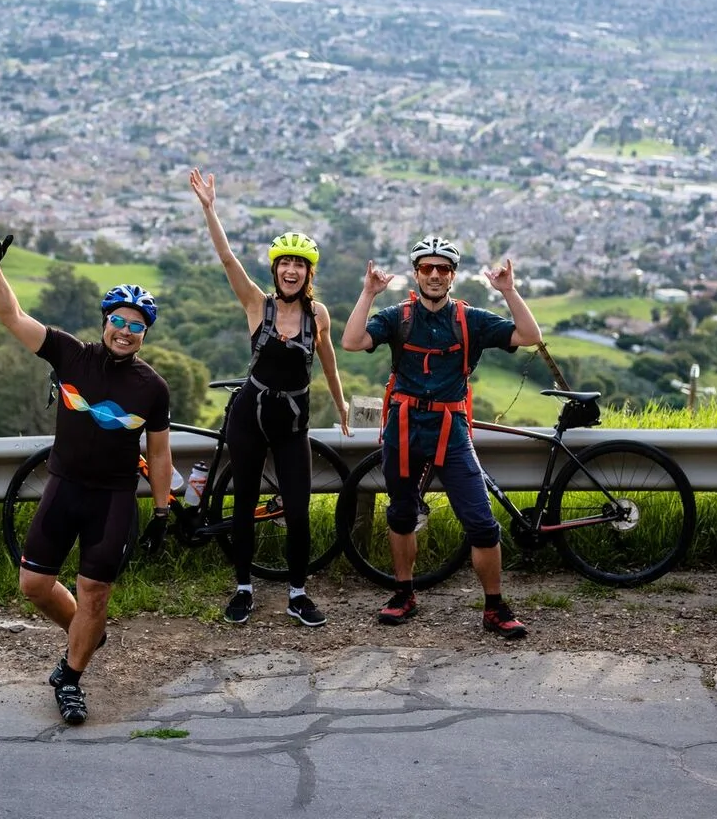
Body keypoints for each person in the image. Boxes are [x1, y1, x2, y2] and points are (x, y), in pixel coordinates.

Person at [0, 233, 173, 725]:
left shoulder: (152, 387)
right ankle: (89, 631)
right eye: (118, 321)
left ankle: (70, 676)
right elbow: (12, 318)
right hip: (64, 488)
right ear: (104, 322)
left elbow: (161, 451)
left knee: (95, 593)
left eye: (136, 326)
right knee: (34, 584)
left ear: (145, 333)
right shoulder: (70, 354)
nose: (125, 331)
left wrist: (164, 510)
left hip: (112, 501)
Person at [340, 235, 543, 640]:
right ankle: (404, 593)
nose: (435, 275)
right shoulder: (399, 317)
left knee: (482, 525)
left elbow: (529, 335)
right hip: (404, 426)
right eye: (427, 268)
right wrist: (367, 292)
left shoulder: (471, 320)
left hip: (451, 431)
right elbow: (351, 342)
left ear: (453, 276)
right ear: (416, 274)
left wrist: (509, 291)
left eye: (443, 269)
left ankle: (494, 607)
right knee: (401, 514)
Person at [189, 168, 350, 627]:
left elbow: (330, 362)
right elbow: (225, 259)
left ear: (308, 272)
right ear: (276, 269)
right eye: (285, 263)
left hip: (293, 420)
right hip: (249, 415)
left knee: (298, 510)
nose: (291, 270)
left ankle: (298, 593)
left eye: (299, 264)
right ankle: (243, 588)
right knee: (242, 505)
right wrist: (209, 208)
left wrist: (340, 406)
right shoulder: (257, 304)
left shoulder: (317, 314)